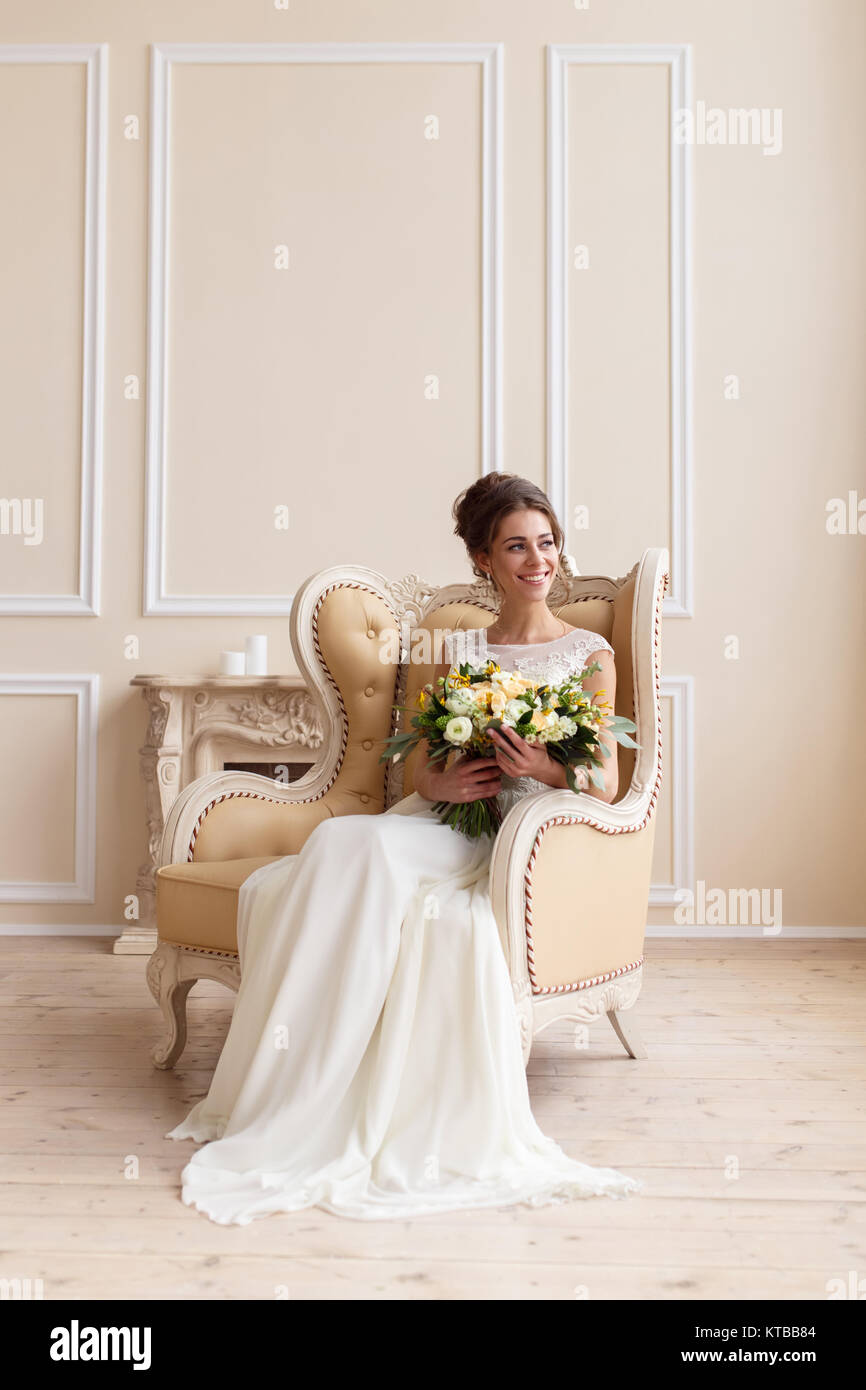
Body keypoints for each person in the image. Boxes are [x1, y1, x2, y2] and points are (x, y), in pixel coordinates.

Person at [166, 472, 642, 1223]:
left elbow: (607, 782)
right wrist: (444, 782)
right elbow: (418, 765)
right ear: (484, 560)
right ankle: (305, 1081)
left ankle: (323, 1093)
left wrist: (541, 766)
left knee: (364, 852)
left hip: (518, 838)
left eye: (547, 543)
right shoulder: (459, 648)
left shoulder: (589, 654)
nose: (538, 561)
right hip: (445, 816)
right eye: (516, 547)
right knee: (340, 841)